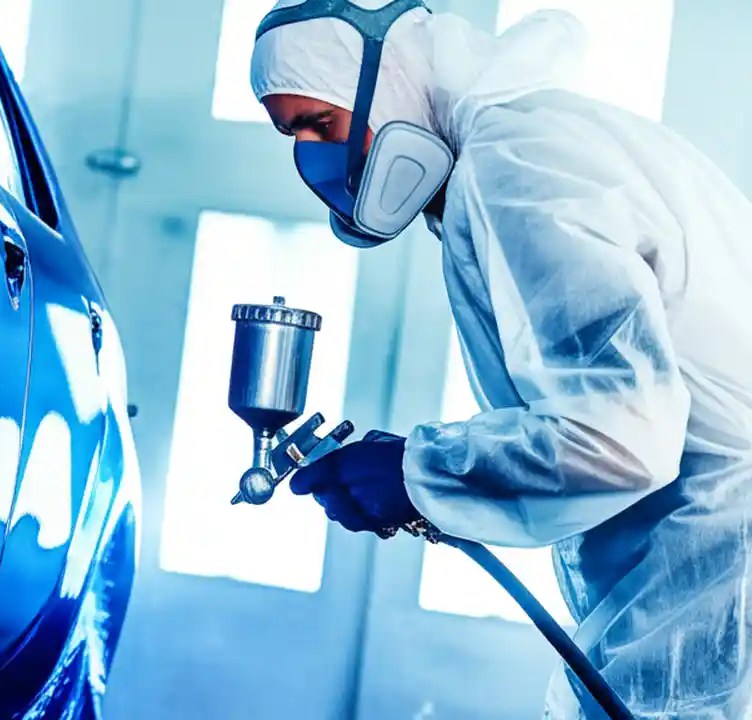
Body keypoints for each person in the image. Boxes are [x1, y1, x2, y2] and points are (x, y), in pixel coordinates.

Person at [250, 1, 752, 718]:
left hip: (713, 562)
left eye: (319, 125)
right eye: (291, 135)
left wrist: (416, 473)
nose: (315, 158)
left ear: (388, 82)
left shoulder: (519, 165)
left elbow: (621, 434)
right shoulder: (547, 137)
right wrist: (420, 474)